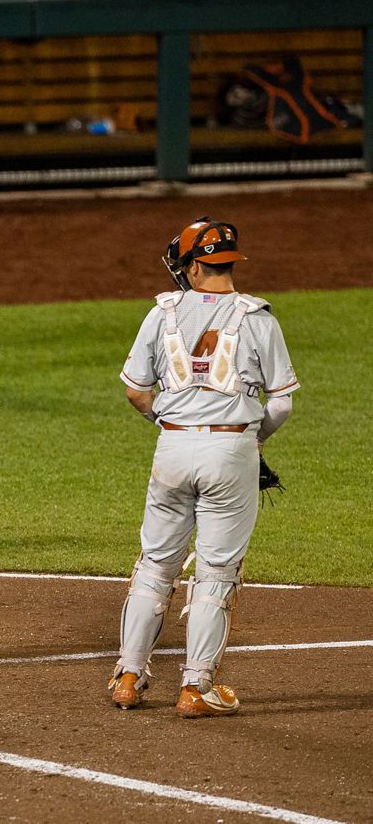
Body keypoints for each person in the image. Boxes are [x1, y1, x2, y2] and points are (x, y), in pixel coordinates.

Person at [109, 217, 298, 718]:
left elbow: (135, 390)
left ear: (195, 267)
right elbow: (280, 403)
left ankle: (128, 677)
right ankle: (195, 688)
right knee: (215, 572)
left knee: (155, 564)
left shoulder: (160, 314)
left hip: (170, 449)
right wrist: (250, 441)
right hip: (231, 453)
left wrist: (172, 424)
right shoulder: (259, 318)